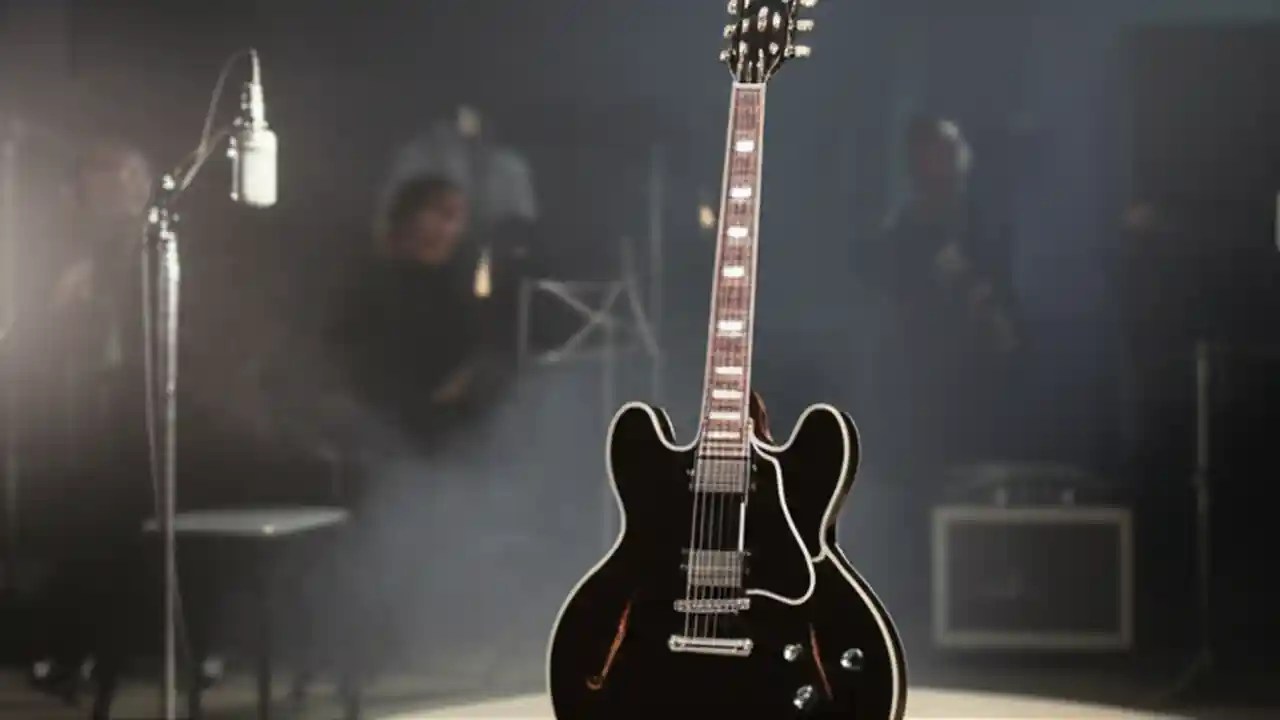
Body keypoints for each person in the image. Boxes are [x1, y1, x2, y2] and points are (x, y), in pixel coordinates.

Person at [858, 114, 1021, 467]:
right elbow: (898, 303)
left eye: (956, 147)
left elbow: (1004, 298)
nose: (958, 155)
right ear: (920, 161)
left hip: (983, 386)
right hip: (925, 393)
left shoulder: (983, 223)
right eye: (943, 149)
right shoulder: (903, 233)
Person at [339, 176, 509, 453]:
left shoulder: (461, 296)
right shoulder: (360, 286)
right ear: (408, 217)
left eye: (458, 218)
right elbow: (345, 373)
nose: (451, 228)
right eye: (442, 214)